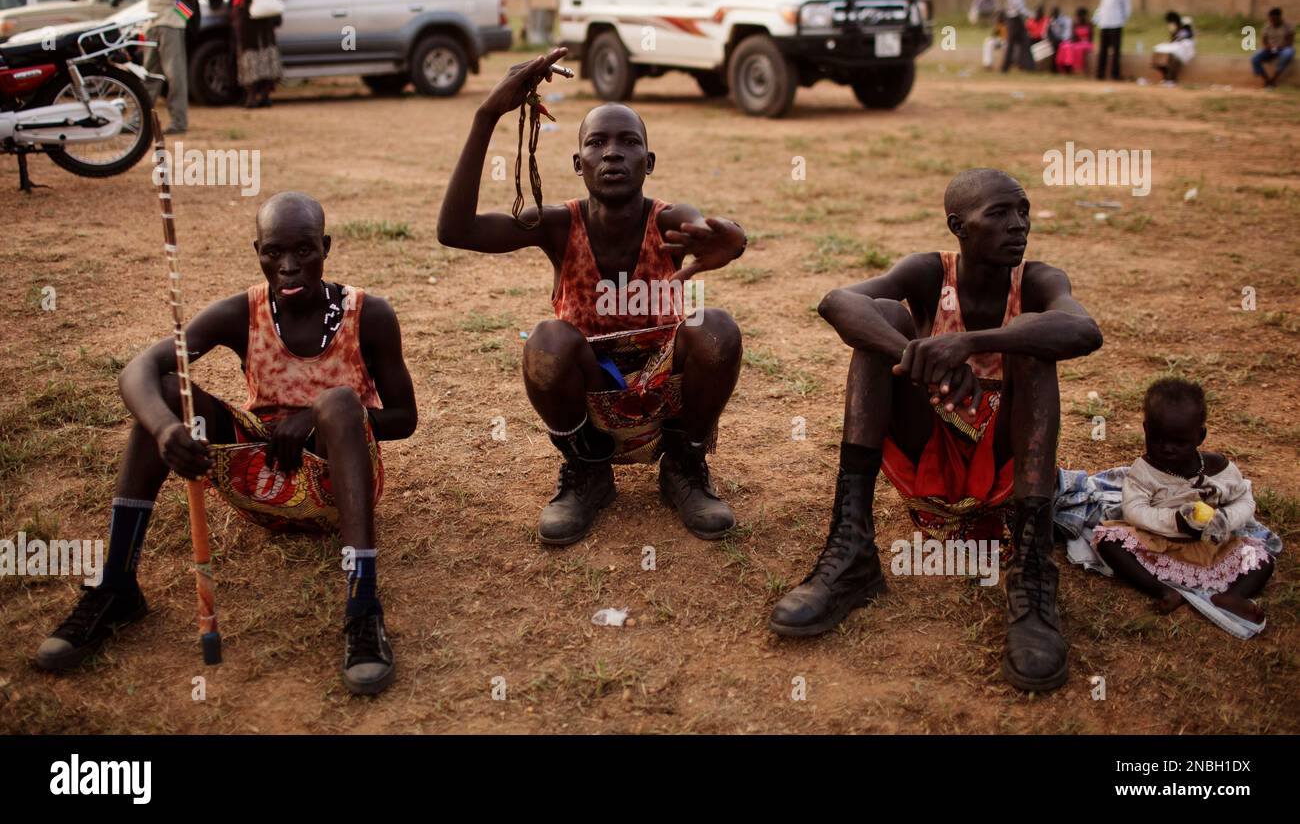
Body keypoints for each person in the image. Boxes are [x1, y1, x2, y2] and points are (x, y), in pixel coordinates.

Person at [35, 193, 418, 695]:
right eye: (273, 253)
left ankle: (362, 604)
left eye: (304, 251)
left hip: (339, 491)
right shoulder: (243, 312)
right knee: (169, 394)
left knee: (340, 403)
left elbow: (404, 419)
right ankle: (117, 585)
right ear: (257, 250)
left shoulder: (369, 314)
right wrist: (165, 429)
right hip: (261, 485)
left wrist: (313, 416)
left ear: (325, 247)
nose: (288, 266)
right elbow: (139, 371)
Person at [768, 169, 1103, 693]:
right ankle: (851, 549)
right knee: (881, 318)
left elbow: (1085, 331)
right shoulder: (929, 274)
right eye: (999, 214)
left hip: (1005, 486)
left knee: (1033, 338)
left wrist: (968, 344)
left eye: (1024, 211)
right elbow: (837, 301)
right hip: (929, 463)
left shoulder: (1039, 280)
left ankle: (1033, 576)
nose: (1019, 225)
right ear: (958, 227)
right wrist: (923, 356)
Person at [438, 48, 747, 545]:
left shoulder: (666, 221)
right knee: (547, 341)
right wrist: (486, 113)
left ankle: (684, 466)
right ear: (577, 161)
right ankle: (588, 472)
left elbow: (705, 225)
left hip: (665, 391)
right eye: (597, 142)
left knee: (716, 327)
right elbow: (456, 230)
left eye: (628, 143)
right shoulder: (559, 225)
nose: (612, 152)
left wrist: (730, 238)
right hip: (588, 392)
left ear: (648, 162)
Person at [1094, 379, 1273, 624]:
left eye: (1179, 442)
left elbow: (1244, 500)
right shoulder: (1144, 471)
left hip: (1209, 545)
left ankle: (1231, 597)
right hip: (1158, 543)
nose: (1167, 449)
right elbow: (1134, 511)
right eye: (1157, 440)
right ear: (1146, 430)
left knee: (1261, 559)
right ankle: (1164, 590)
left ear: (1200, 436)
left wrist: (1224, 520)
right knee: (1108, 541)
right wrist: (1175, 521)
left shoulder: (1219, 469)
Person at [140, 0, 194, 134]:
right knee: (149, 74)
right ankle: (140, 119)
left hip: (170, 25)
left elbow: (187, 0)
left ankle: (179, 121)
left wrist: (179, 23)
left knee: (175, 75)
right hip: (152, 23)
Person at [231, 0, 284, 109]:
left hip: (249, 24)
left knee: (250, 57)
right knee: (265, 56)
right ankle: (265, 95)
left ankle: (252, 96)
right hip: (263, 25)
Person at [1093, 0, 1131, 81]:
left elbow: (1127, 7)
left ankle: (1115, 74)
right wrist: (1096, 19)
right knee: (1103, 50)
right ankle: (1100, 74)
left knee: (1116, 51)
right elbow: (1101, 7)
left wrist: (1122, 20)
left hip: (1116, 24)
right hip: (1104, 24)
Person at [1251, 7, 1295, 88]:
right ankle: (1267, 80)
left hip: (1284, 48)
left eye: (1274, 19)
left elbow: (1290, 42)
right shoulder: (1267, 26)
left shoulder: (1288, 26)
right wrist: (1268, 46)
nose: (1272, 21)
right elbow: (1264, 40)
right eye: (1271, 19)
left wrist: (1279, 47)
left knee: (1287, 54)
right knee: (1255, 57)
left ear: (1279, 18)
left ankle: (1274, 79)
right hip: (1271, 49)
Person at [1001, 0, 1034, 73]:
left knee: (1025, 42)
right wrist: (1031, 14)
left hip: (1017, 20)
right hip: (1013, 20)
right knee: (1014, 44)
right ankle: (1006, 67)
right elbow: (1019, 8)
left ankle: (1028, 66)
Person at [1152, 10, 1195, 86]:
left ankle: (1171, 78)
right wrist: (1173, 33)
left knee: (1172, 56)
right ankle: (1166, 77)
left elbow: (1187, 35)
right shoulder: (1172, 27)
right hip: (1177, 46)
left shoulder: (1185, 24)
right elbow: (1173, 39)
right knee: (1159, 50)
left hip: (1185, 47)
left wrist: (1177, 32)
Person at [1055, 7, 1094, 75]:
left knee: (1077, 48)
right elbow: (1074, 37)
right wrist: (1074, 40)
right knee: (1063, 46)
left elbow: (1091, 38)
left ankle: (1077, 68)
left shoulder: (1089, 24)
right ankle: (1066, 66)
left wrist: (1083, 40)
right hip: (1077, 42)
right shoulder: (1075, 24)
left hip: (1086, 44)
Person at [1044, 6, 1072, 75]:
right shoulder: (1050, 21)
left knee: (1064, 48)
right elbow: (1046, 33)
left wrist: (1062, 39)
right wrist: (1050, 40)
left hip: (1062, 40)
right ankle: (1054, 69)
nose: (1054, 14)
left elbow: (1067, 32)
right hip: (1053, 41)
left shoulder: (1063, 20)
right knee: (1054, 48)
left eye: (1055, 13)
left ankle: (1065, 69)